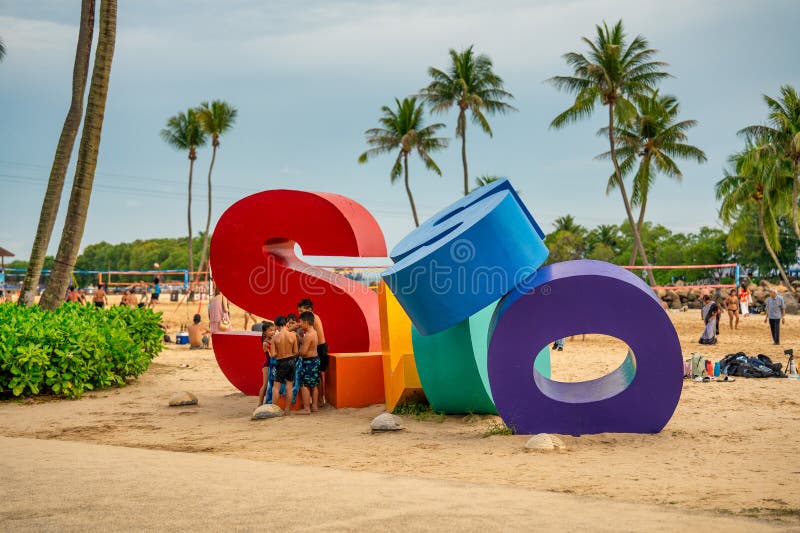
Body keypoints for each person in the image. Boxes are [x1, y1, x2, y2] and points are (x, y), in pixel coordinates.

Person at [297, 299, 328, 405]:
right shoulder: (313, 317)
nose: (299, 314)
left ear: (309, 309)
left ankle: (320, 400)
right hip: (319, 347)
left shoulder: (312, 318)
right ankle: (318, 400)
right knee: (317, 375)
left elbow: (299, 325)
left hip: (320, 348)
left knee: (318, 375)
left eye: (301, 311)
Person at [271, 315, 298, 414]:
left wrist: (277, 352)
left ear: (276, 325)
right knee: (289, 387)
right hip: (291, 361)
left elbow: (273, 355)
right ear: (286, 323)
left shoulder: (275, 337)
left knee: (276, 387)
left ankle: (273, 409)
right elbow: (295, 351)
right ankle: (287, 410)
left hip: (281, 362)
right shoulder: (293, 335)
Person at [295, 311, 320, 414]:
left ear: (305, 322)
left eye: (300, 322)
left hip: (308, 362)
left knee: (304, 385)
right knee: (314, 385)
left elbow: (303, 352)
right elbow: (307, 344)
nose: (300, 324)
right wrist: (299, 338)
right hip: (315, 360)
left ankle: (306, 408)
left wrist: (295, 353)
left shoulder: (308, 335)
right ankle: (314, 406)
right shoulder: (314, 332)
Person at [257, 321, 277, 406]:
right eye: (270, 330)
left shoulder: (273, 339)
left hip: (274, 364)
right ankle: (260, 403)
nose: (273, 332)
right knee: (265, 385)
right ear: (265, 332)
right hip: (268, 365)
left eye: (273, 330)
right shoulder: (265, 343)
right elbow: (272, 355)